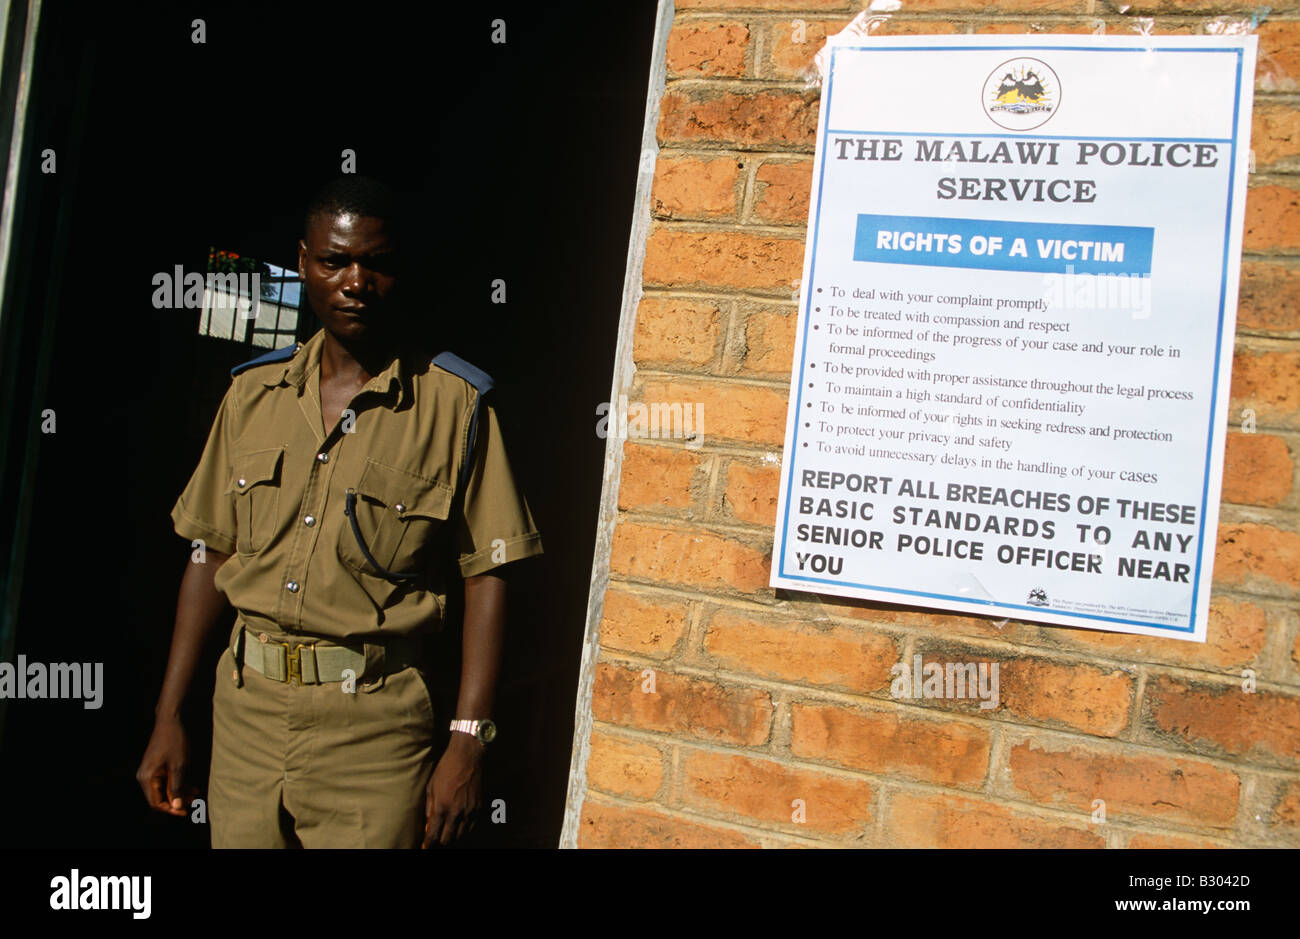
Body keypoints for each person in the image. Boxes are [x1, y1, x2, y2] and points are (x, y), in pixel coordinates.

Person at [136, 176, 543, 847]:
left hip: (372, 729)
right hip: (246, 715)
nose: (355, 281)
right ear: (302, 262)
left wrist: (468, 742)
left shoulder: (454, 407)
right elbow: (208, 552)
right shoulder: (251, 396)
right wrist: (169, 712)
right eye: (334, 262)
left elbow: (490, 573)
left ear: (398, 268)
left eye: (375, 263)